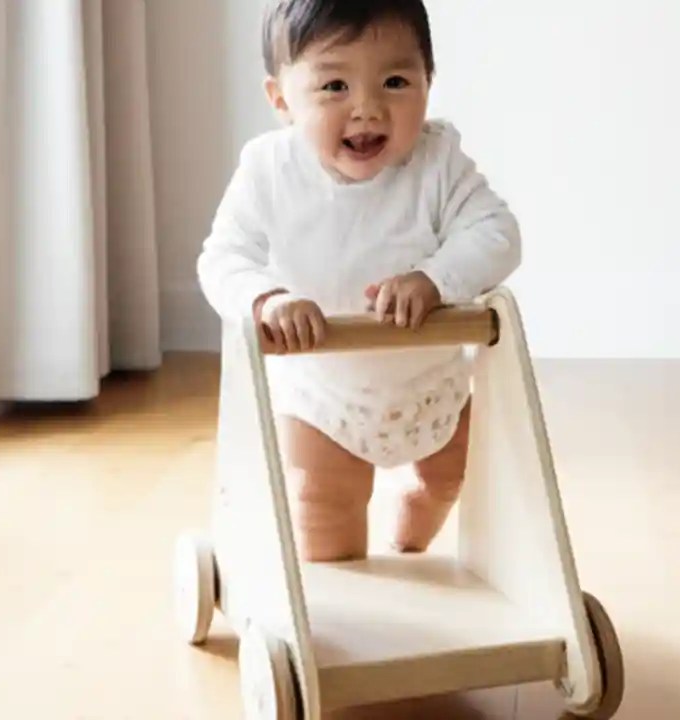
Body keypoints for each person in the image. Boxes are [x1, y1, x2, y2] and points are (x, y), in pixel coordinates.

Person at [197, 0, 521, 562]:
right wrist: (267, 299)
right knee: (326, 507)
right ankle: (341, 612)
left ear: (428, 81)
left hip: (432, 385)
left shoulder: (438, 161)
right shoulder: (268, 171)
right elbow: (222, 257)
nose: (368, 109)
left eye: (395, 81)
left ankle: (412, 531)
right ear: (281, 99)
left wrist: (435, 279)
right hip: (325, 393)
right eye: (334, 87)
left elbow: (498, 233)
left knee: (447, 480)